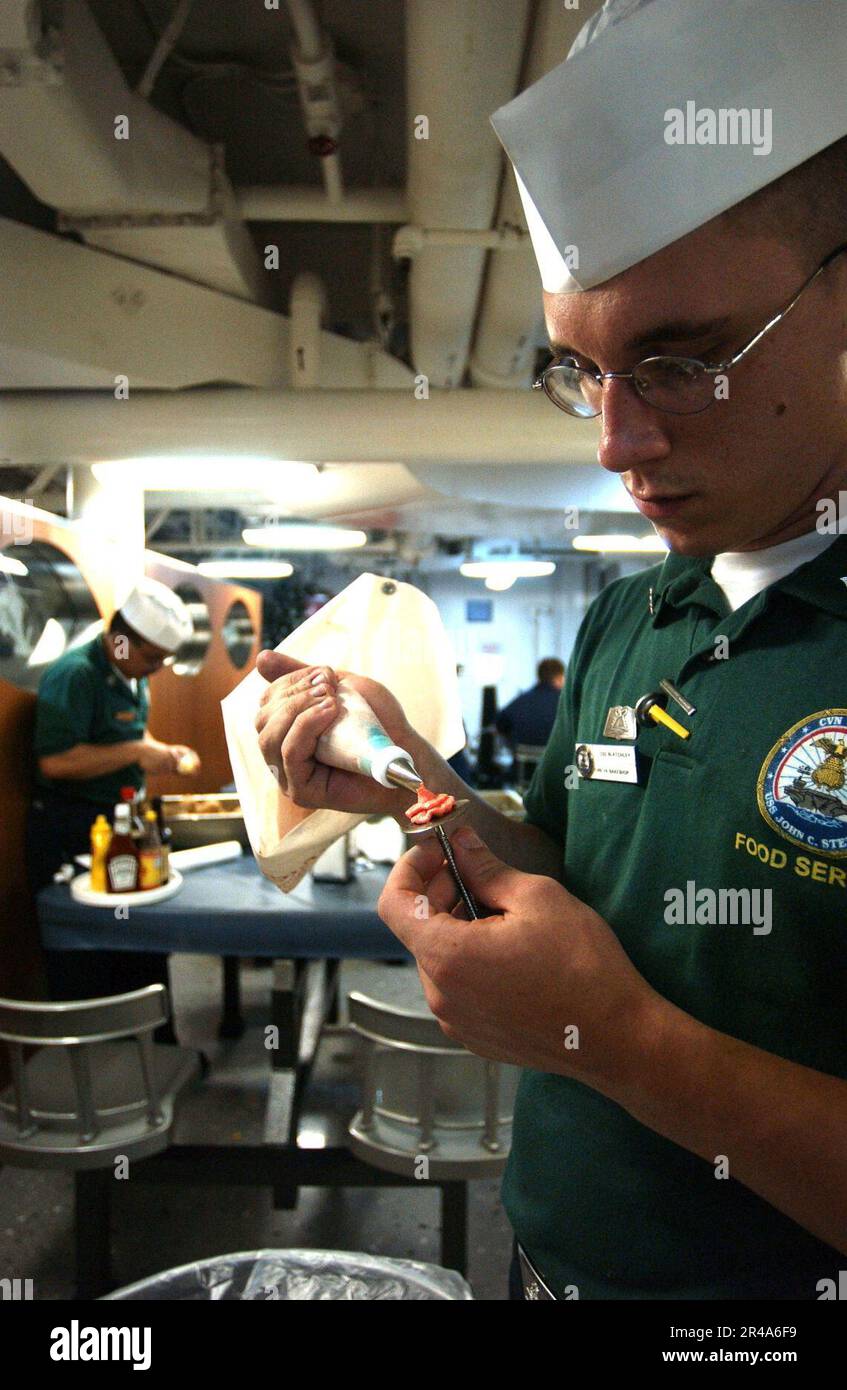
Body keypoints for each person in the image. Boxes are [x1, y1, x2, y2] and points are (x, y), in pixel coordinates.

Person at [254, 0, 847, 1300]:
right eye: (579, 372)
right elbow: (576, 875)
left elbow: (607, 1008)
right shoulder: (628, 618)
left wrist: (615, 1039)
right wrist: (419, 781)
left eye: (679, 364)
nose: (613, 445)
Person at [29, 577, 200, 1018]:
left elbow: (129, 734)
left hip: (124, 820)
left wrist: (159, 751)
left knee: (140, 939)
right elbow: (56, 762)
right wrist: (136, 752)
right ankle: (101, 1052)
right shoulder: (77, 675)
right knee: (90, 952)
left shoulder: (131, 673)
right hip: (74, 826)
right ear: (120, 638)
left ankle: (153, 1041)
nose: (157, 668)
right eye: (151, 657)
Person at [495, 658, 565, 774]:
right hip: (557, 772)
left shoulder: (521, 700)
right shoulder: (565, 703)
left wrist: (513, 746)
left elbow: (499, 725)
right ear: (559, 677)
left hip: (522, 772)